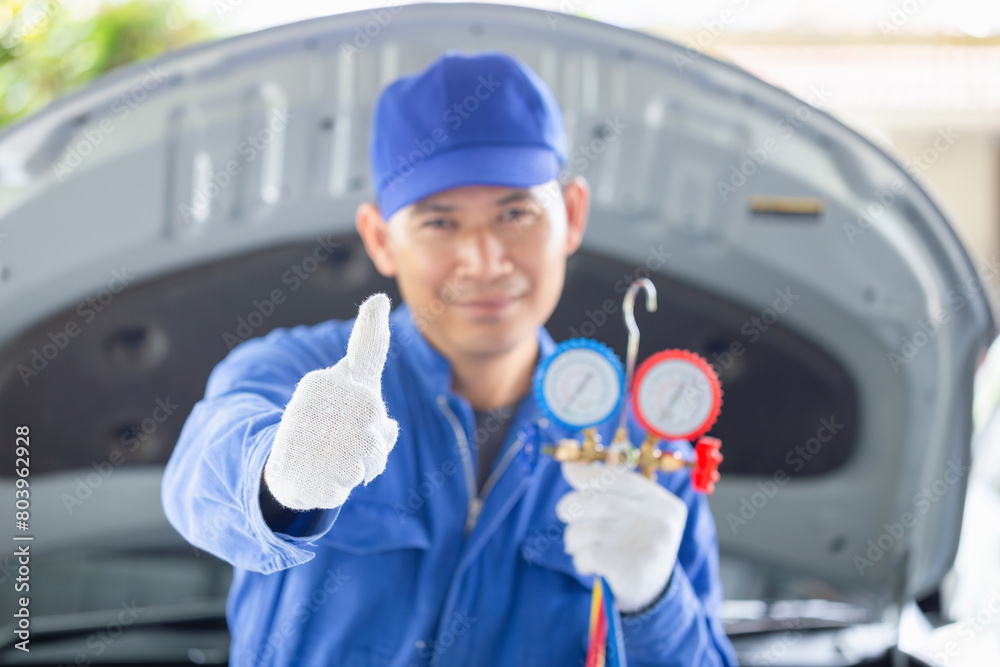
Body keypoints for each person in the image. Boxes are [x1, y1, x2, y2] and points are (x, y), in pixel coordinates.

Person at [162, 49, 737, 667]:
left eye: (516, 213)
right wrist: (280, 476)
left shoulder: (645, 443)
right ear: (381, 237)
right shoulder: (296, 372)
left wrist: (653, 600)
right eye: (439, 222)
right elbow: (199, 481)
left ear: (570, 215)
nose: (485, 261)